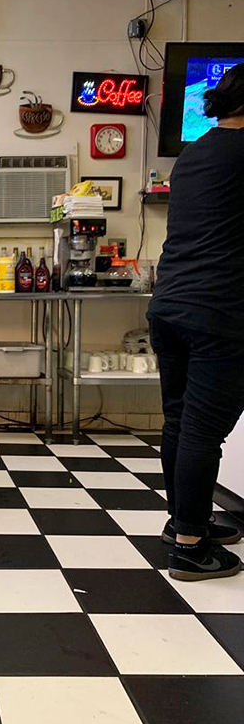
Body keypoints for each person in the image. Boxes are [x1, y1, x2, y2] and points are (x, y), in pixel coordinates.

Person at [148, 63, 244, 581]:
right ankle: (189, 545)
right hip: (220, 313)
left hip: (171, 307)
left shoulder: (194, 153)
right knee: (203, 433)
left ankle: (186, 521)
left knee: (181, 423)